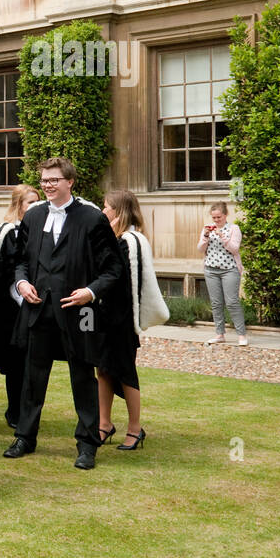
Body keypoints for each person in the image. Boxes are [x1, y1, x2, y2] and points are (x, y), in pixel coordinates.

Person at [3, 156, 124, 470]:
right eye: (44, 180)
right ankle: (24, 437)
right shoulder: (33, 216)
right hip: (38, 309)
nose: (47, 185)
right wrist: (22, 282)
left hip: (79, 312)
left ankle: (87, 444)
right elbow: (20, 260)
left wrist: (90, 291)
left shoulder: (92, 218)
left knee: (83, 377)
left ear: (70, 181)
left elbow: (113, 269)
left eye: (54, 180)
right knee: (32, 376)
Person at [97, 189, 169, 451]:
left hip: (122, 320)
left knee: (125, 372)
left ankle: (135, 429)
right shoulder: (118, 238)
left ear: (119, 211)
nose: (103, 212)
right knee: (103, 370)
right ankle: (104, 424)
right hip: (105, 317)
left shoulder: (131, 240)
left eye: (107, 207)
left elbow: (124, 282)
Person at [0, 183, 40, 428]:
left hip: (32, 305)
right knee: (15, 362)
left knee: (31, 362)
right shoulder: (9, 231)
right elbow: (3, 272)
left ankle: (26, 410)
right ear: (19, 205)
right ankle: (14, 411)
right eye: (30, 202)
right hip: (11, 308)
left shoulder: (37, 229)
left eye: (37, 201)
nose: (35, 206)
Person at [199, 201, 247, 346]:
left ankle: (241, 335)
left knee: (232, 302)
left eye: (219, 217)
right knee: (216, 303)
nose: (216, 220)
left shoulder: (234, 229)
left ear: (225, 215)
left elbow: (234, 249)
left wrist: (222, 236)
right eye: (214, 218)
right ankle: (220, 334)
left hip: (229, 269)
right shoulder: (207, 229)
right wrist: (205, 236)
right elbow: (200, 249)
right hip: (210, 270)